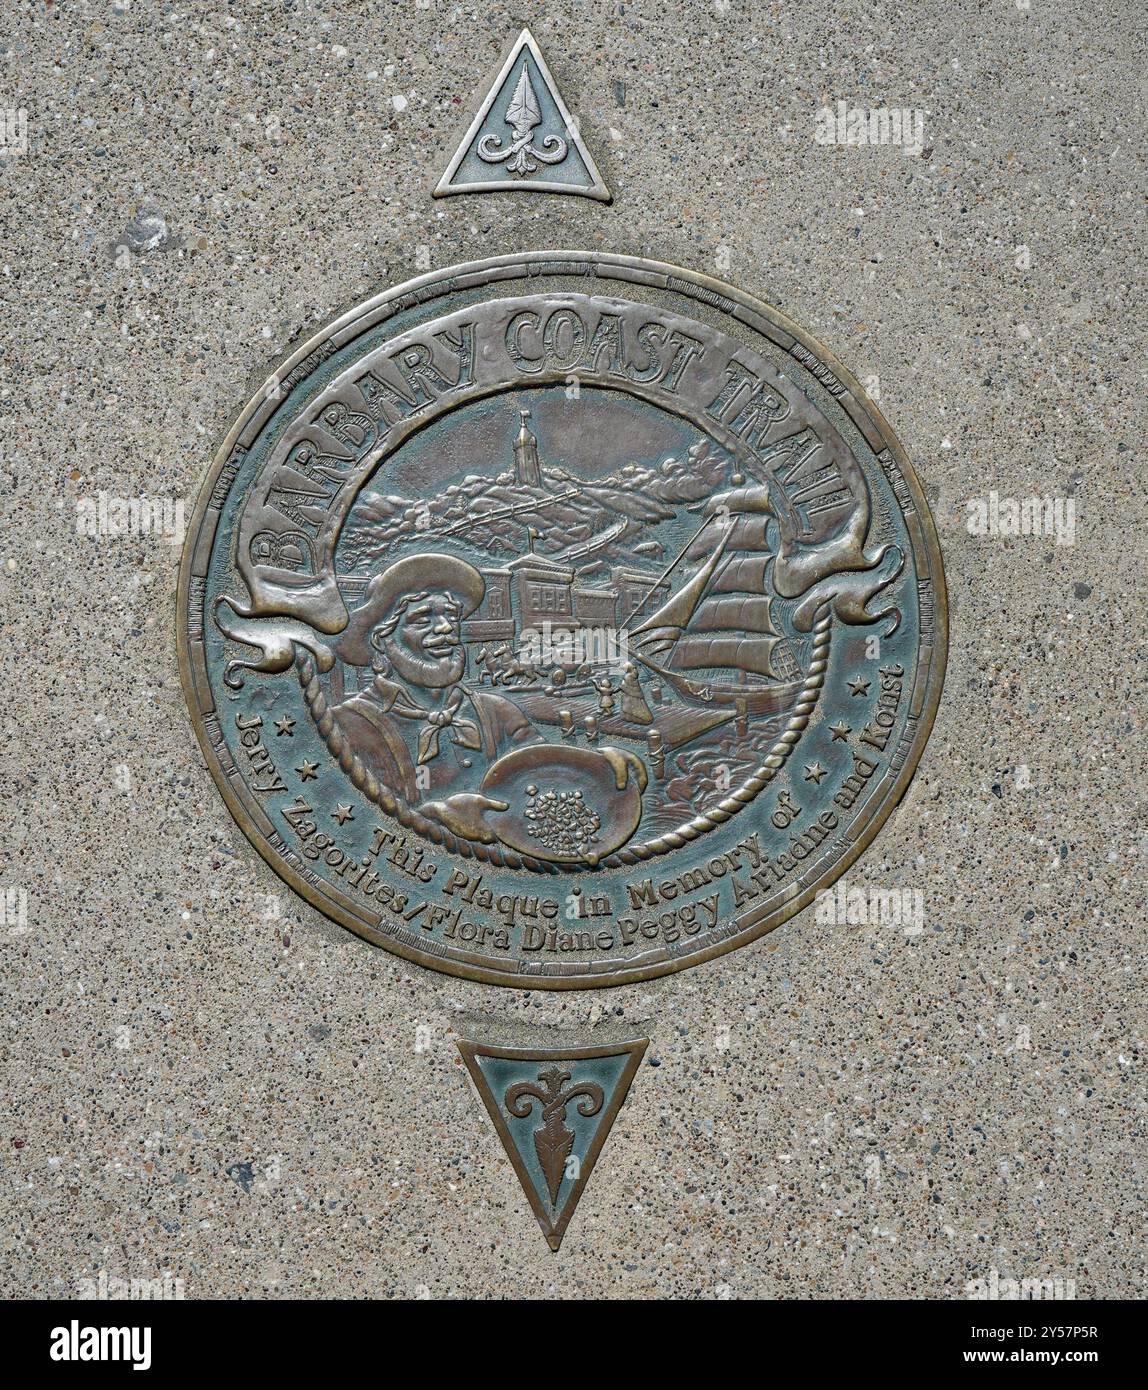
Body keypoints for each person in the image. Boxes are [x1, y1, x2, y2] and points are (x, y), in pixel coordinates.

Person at [332, 554, 537, 840]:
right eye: (422, 619)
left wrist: (598, 765)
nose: (445, 628)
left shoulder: (499, 713)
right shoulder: (347, 727)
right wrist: (435, 817)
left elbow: (545, 772)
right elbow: (346, 826)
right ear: (382, 640)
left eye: (451, 616)